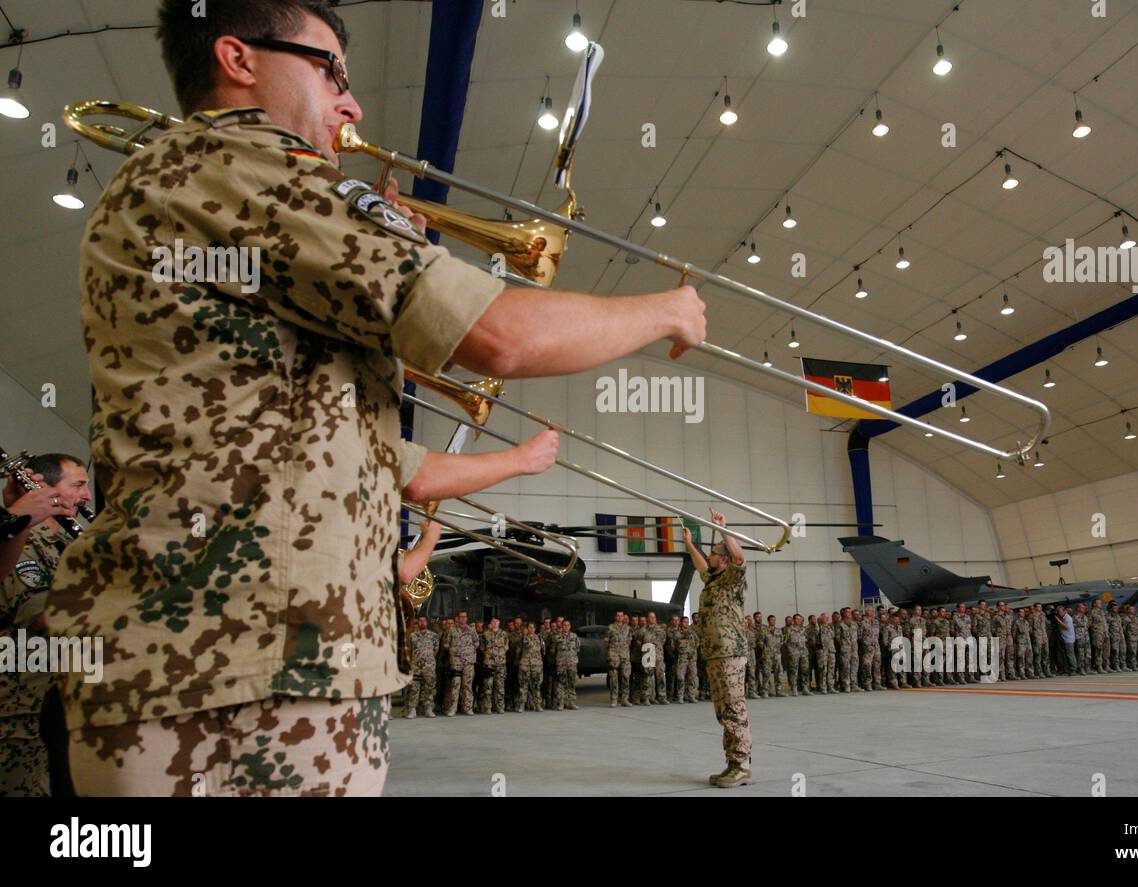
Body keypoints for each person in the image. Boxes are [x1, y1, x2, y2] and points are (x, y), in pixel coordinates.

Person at [46, 0, 708, 797]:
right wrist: (664, 310)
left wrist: (521, 458)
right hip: (245, 677)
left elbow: (388, 461)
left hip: (225, 668)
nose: (352, 104)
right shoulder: (241, 166)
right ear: (238, 59)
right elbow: (499, 334)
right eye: (330, 70)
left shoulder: (207, 190)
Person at [0, 455, 92, 797]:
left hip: (72, 699)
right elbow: (39, 617)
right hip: (23, 709)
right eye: (77, 486)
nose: (86, 496)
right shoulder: (18, 540)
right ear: (44, 491)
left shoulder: (72, 545)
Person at [682, 514, 751, 788]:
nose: (708, 557)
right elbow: (700, 565)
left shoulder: (732, 579)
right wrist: (689, 544)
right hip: (714, 653)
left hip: (730, 652)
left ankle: (742, 766)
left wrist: (723, 530)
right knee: (724, 711)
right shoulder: (712, 581)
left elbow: (739, 555)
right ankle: (733, 763)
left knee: (734, 708)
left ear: (723, 559)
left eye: (713, 553)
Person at [404, 617, 438, 718]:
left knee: (429, 687)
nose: (422, 623)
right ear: (418, 623)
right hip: (416, 666)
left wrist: (428, 659)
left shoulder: (433, 636)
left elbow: (436, 650)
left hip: (429, 666)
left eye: (424, 621)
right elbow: (409, 650)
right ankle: (412, 709)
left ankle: (428, 708)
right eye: (420, 621)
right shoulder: (412, 636)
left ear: (427, 623)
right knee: (414, 687)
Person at [604, 611, 631, 707]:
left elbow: (629, 641)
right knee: (613, 678)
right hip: (614, 656)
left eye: (621, 616)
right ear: (615, 617)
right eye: (618, 616)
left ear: (624, 617)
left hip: (625, 656)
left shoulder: (628, 628)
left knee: (625, 677)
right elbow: (606, 642)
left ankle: (624, 699)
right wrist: (612, 653)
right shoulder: (610, 627)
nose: (620, 617)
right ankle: (614, 699)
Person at [1055, 606, 1077, 676]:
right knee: (1066, 655)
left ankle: (1074, 669)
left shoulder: (1068, 618)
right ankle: (1067, 669)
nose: (1059, 614)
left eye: (1060, 612)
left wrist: (1059, 621)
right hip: (1065, 638)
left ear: (1064, 611)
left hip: (1069, 639)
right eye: (1058, 612)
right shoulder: (1064, 617)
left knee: (1070, 655)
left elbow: (1066, 627)